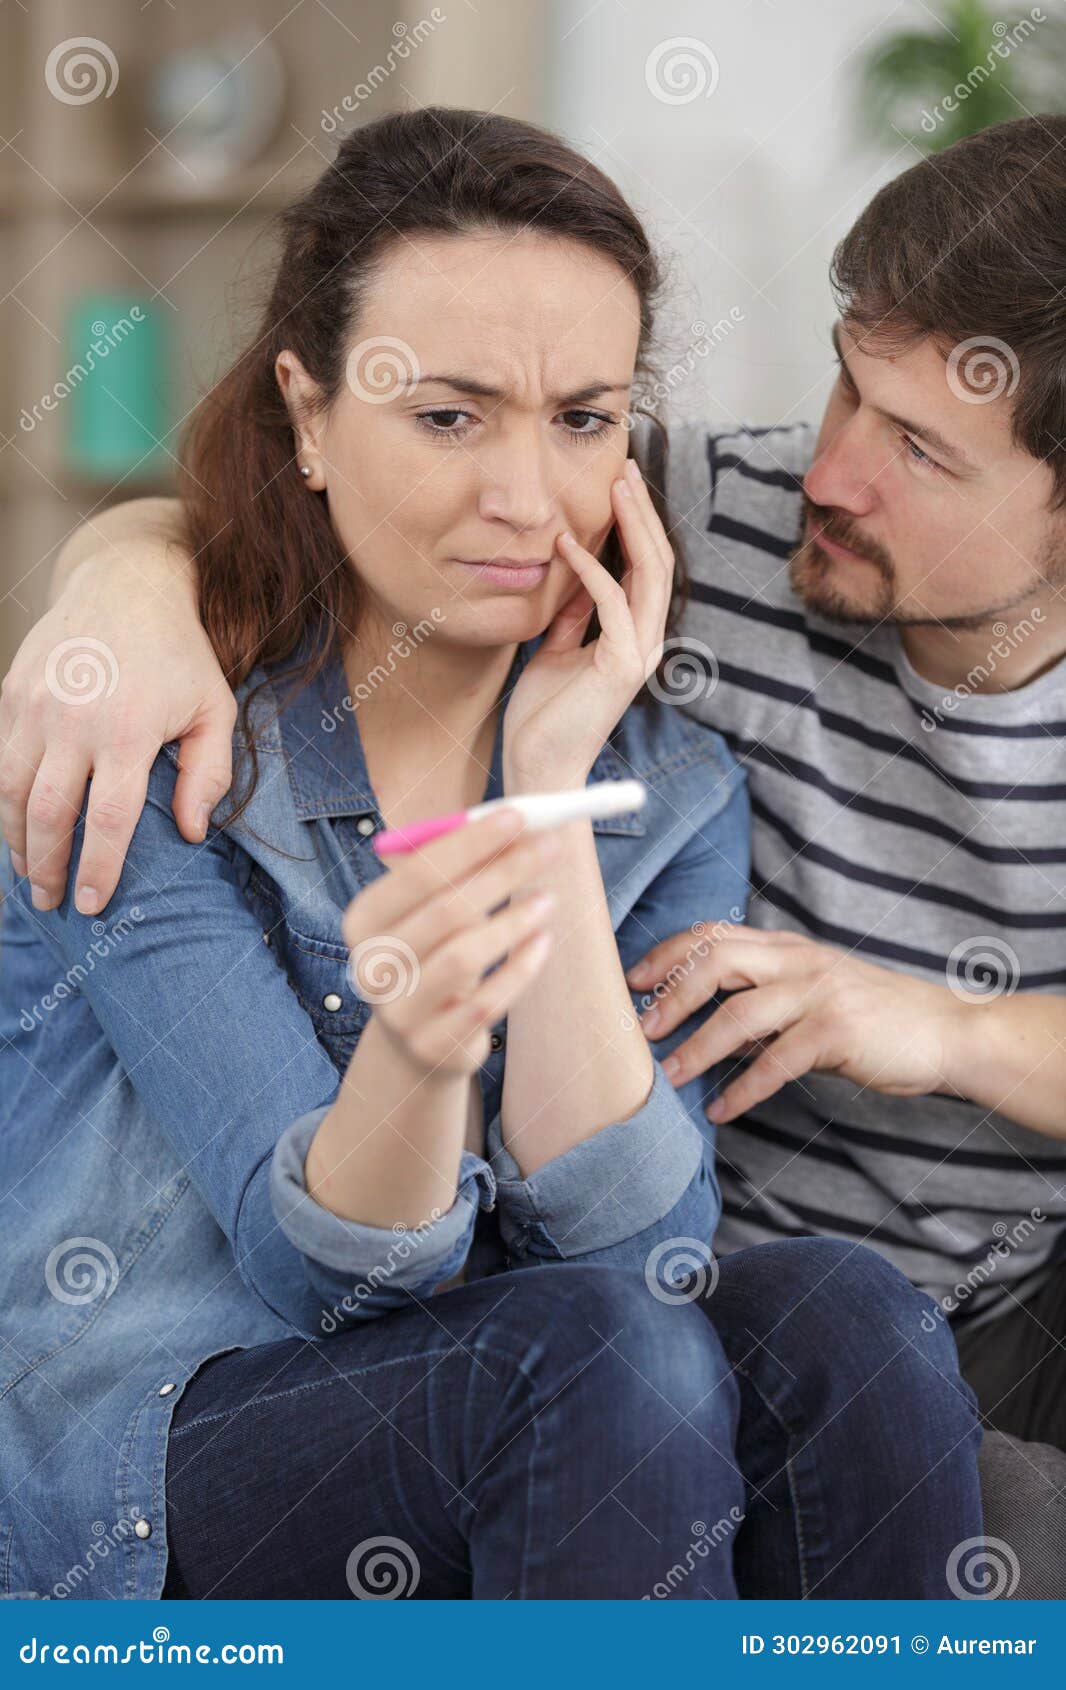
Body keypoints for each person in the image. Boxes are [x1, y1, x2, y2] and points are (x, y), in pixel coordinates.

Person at [0, 107, 981, 1602]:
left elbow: (638, 1237)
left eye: (581, 419)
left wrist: (543, 792)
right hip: (153, 1474)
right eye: (448, 416)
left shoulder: (670, 784)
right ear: (310, 414)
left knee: (847, 1318)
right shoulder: (150, 739)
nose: (526, 498)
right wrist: (425, 1035)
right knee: (584, 1357)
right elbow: (325, 1269)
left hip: (548, 1402)